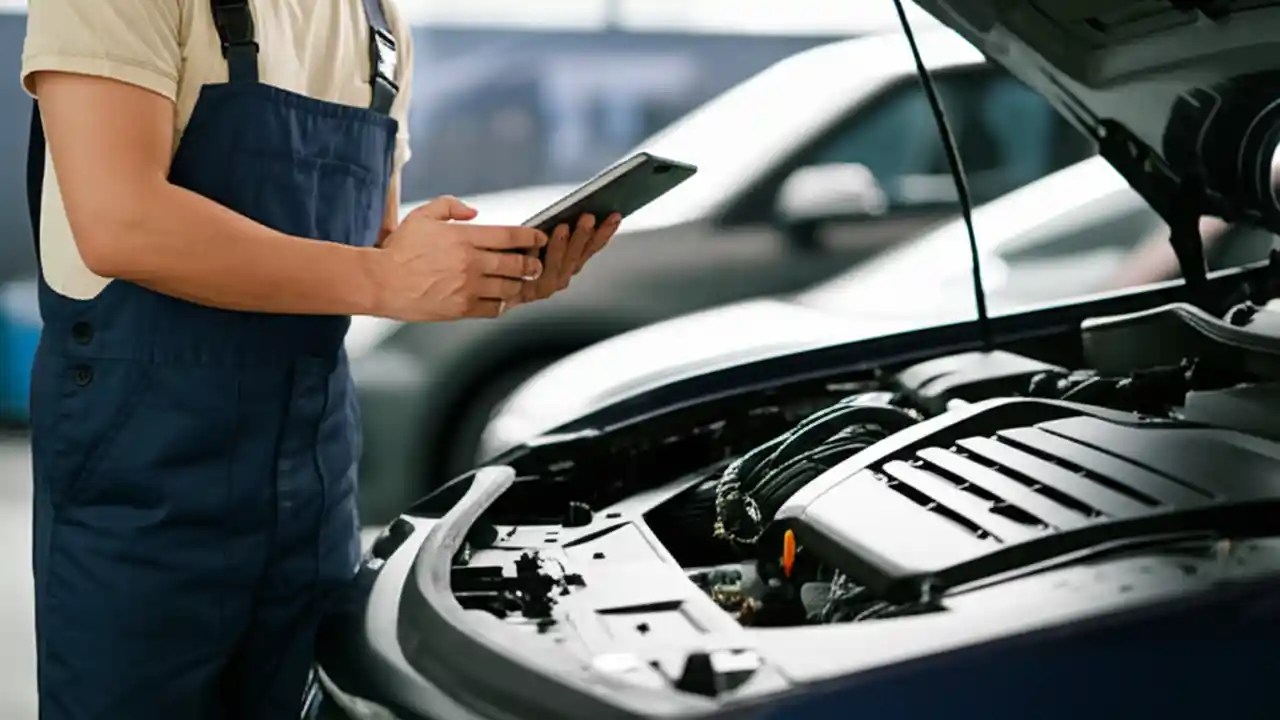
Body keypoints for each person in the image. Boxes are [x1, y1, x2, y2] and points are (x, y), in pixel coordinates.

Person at [21, 1, 620, 717]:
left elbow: (370, 249)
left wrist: (480, 275)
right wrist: (389, 279)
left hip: (313, 493)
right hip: (144, 494)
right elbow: (121, 222)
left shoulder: (374, 22)